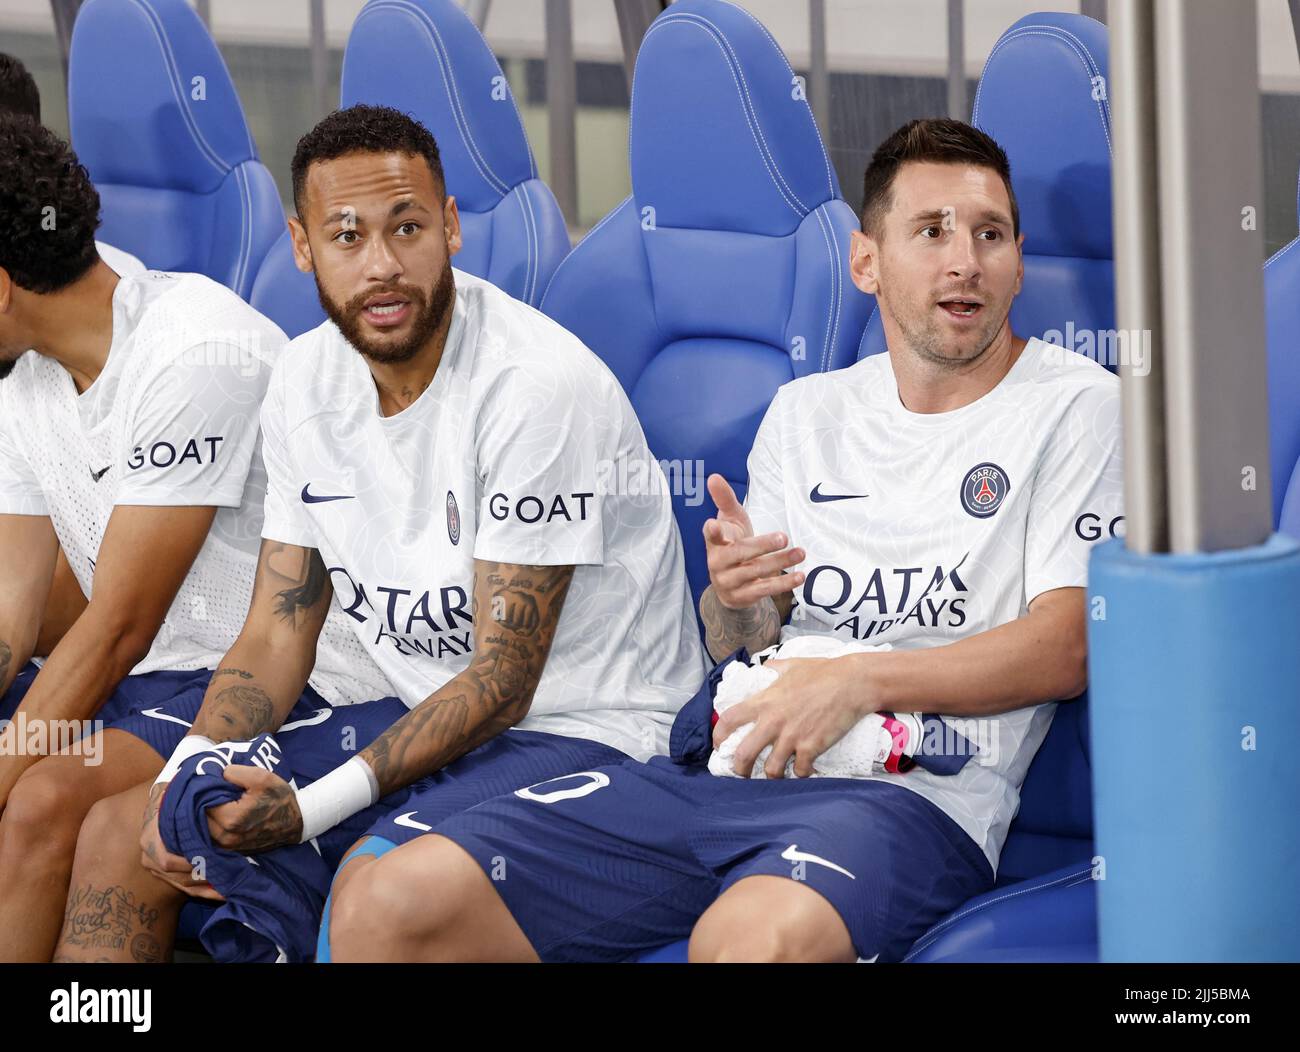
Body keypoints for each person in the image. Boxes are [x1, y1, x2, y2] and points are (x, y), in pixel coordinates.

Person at [321, 117, 1123, 964]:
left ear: (1018, 263)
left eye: (989, 234)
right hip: (723, 770)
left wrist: (855, 681)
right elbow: (743, 641)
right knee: (386, 903)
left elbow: (1068, 644)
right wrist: (741, 601)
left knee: (747, 944)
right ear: (866, 263)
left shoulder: (1076, 406)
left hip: (909, 797)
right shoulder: (807, 412)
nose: (965, 259)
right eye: (931, 232)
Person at [50, 104, 706, 963]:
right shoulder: (302, 381)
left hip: (591, 730)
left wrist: (308, 806)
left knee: (372, 887)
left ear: (452, 228)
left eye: (408, 228)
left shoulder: (534, 390)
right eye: (348, 236)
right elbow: (279, 628)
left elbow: (504, 680)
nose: (384, 266)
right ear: (301, 244)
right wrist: (196, 763)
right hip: (414, 712)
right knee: (127, 832)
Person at [0, 113, 387, 961]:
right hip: (154, 677)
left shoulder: (194, 348)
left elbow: (117, 629)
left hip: (289, 675)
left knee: (37, 801)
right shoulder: (26, 382)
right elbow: (12, 617)